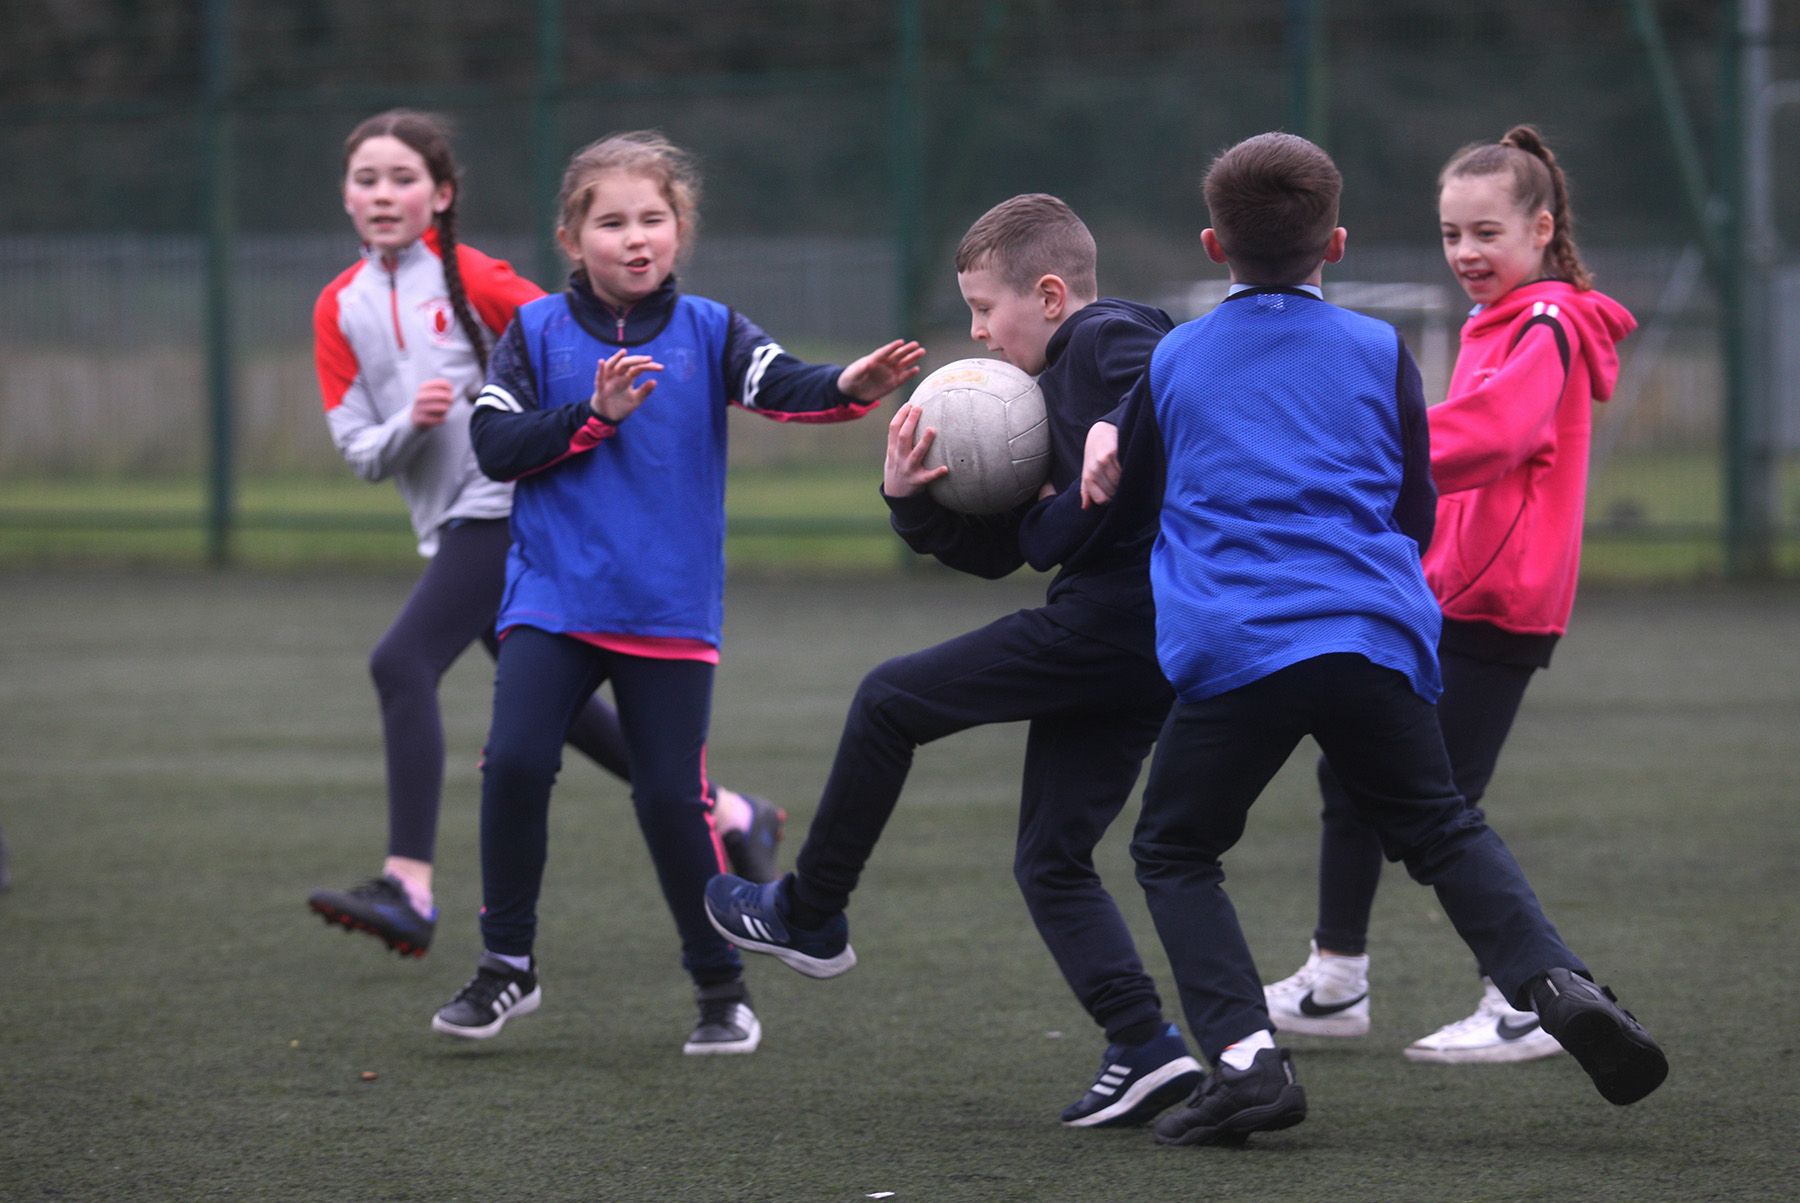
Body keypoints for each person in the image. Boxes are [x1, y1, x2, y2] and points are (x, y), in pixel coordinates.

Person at [1078, 132, 1665, 1147]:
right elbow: (1412, 503)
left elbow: (1137, 492)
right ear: (1336, 246)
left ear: (1214, 244)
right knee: (1442, 827)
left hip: (1238, 646)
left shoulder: (1177, 355)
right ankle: (1556, 986)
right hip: (1374, 636)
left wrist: (1096, 445)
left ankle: (1249, 1061)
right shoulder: (1376, 351)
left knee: (1175, 848)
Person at [704, 193, 1203, 1127]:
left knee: (890, 699)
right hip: (1132, 645)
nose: (974, 330)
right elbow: (1007, 549)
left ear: (1051, 294)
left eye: (984, 307)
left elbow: (1170, 370)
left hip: (1116, 624)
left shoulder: (1102, 338)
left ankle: (811, 912)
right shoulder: (1041, 391)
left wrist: (1119, 424)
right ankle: (1146, 1048)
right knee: (1050, 858)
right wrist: (909, 500)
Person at [429, 129, 923, 1054]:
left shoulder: (712, 330)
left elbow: (787, 384)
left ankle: (720, 989)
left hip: (669, 613)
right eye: (610, 221)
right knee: (518, 761)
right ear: (573, 240)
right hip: (555, 601)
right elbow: (496, 446)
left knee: (668, 798)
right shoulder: (534, 334)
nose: (634, 236)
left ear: (679, 230)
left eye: (652, 217)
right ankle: (507, 966)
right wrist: (594, 417)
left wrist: (852, 383)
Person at [307, 110, 783, 961]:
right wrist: (412, 429)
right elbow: (360, 452)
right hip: (452, 523)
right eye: (366, 178)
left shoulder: (480, 281)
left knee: (400, 662)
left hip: (506, 514)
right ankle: (735, 811)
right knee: (556, 721)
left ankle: (408, 885)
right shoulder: (337, 306)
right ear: (345, 196)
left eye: (403, 177)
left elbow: (575, 347)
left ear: (441, 195)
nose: (383, 194)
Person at [1261, 126, 1638, 1066]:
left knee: (1439, 807)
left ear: (1542, 229)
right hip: (1450, 598)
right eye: (1450, 235)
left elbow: (1495, 435)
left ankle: (1523, 1000)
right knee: (1351, 772)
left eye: (1486, 233)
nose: (1467, 253)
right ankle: (1333, 979)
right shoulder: (1508, 318)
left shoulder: (1547, 323)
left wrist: (1359, 437)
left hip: (1500, 605)